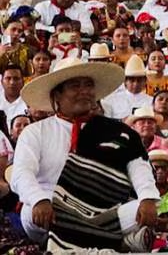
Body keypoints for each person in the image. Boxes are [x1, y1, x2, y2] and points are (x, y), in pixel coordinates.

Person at [11, 56, 159, 249]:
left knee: (146, 207)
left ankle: (86, 239)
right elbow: (21, 174)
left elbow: (139, 166)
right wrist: (39, 200)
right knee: (29, 212)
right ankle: (115, 242)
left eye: (88, 85)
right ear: (57, 95)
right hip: (50, 210)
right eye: (75, 86)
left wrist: (147, 197)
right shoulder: (35, 132)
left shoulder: (117, 132)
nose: (84, 92)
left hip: (103, 212)